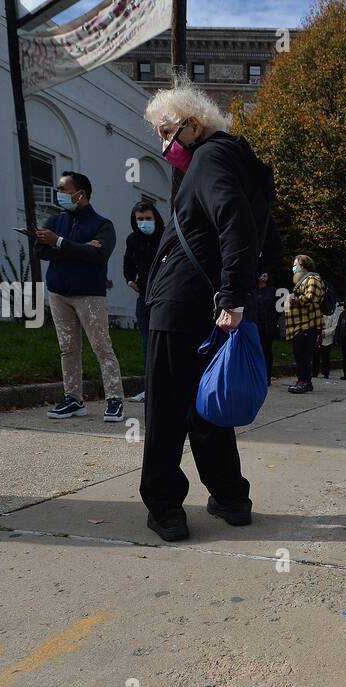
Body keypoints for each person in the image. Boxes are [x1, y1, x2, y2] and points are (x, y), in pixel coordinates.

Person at [138, 78, 278, 542]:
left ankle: (165, 506)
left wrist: (233, 296)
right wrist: (238, 294)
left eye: (166, 131)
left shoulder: (209, 158)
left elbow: (231, 218)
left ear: (193, 125)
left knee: (166, 409)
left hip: (182, 304)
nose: (163, 144)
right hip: (211, 306)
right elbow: (266, 242)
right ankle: (231, 497)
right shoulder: (242, 162)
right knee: (208, 406)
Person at [35, 171, 125, 422]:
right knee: (68, 349)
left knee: (102, 347)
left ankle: (115, 400)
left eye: (63, 189)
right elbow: (39, 250)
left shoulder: (102, 225)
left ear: (80, 194)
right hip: (58, 293)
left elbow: (99, 255)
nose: (59, 194)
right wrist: (81, 249)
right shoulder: (54, 221)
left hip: (90, 296)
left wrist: (60, 243)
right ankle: (73, 399)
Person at [123, 199, 162, 403]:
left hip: (164, 298)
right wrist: (130, 280)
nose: (144, 222)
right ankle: (150, 389)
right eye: (140, 219)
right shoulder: (132, 240)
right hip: (144, 298)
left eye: (148, 218)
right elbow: (127, 264)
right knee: (147, 346)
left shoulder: (165, 237)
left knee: (165, 345)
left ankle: (167, 388)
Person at [286, 254, 324, 393]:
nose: (294, 267)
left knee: (303, 354)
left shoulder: (313, 279)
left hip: (307, 324)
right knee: (299, 354)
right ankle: (302, 379)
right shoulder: (302, 281)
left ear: (302, 265)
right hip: (300, 325)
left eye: (295, 264)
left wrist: (294, 299)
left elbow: (311, 298)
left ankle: (305, 382)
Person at [245, 271, 279, 386]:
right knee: (253, 351)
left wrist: (273, 321)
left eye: (266, 273)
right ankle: (253, 376)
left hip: (267, 327)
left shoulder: (273, 291)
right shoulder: (252, 291)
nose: (264, 275)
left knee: (266, 352)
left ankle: (266, 377)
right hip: (254, 325)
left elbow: (278, 310)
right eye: (262, 273)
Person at [314, 298, 338, 380]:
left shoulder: (333, 314)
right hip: (317, 338)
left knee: (326, 357)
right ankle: (314, 372)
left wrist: (325, 332)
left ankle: (326, 373)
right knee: (315, 356)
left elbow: (334, 326)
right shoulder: (317, 312)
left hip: (327, 339)